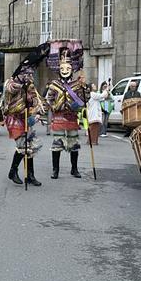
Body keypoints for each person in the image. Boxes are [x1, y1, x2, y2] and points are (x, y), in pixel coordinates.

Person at [44, 43, 89, 179]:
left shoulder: (77, 85)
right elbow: (48, 99)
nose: (65, 70)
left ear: (72, 69)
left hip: (71, 117)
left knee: (74, 143)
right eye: (62, 68)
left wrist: (84, 92)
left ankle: (74, 169)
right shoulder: (54, 84)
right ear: (59, 69)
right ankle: (55, 170)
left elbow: (85, 99)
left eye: (68, 68)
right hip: (58, 117)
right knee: (57, 143)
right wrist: (53, 106)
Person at [3, 50, 44, 187]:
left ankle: (30, 175)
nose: (30, 75)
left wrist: (37, 112)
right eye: (28, 73)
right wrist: (22, 83)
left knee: (30, 147)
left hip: (26, 117)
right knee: (22, 146)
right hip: (14, 118)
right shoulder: (11, 81)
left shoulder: (30, 85)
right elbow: (11, 89)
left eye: (32, 73)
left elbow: (35, 100)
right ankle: (12, 171)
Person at [86, 81, 110, 146]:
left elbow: (103, 97)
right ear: (90, 87)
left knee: (95, 128)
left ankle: (92, 141)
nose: (95, 86)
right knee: (93, 128)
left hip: (94, 113)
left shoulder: (94, 94)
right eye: (93, 85)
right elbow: (102, 95)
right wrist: (106, 90)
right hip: (93, 114)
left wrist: (106, 91)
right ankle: (92, 141)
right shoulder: (92, 94)